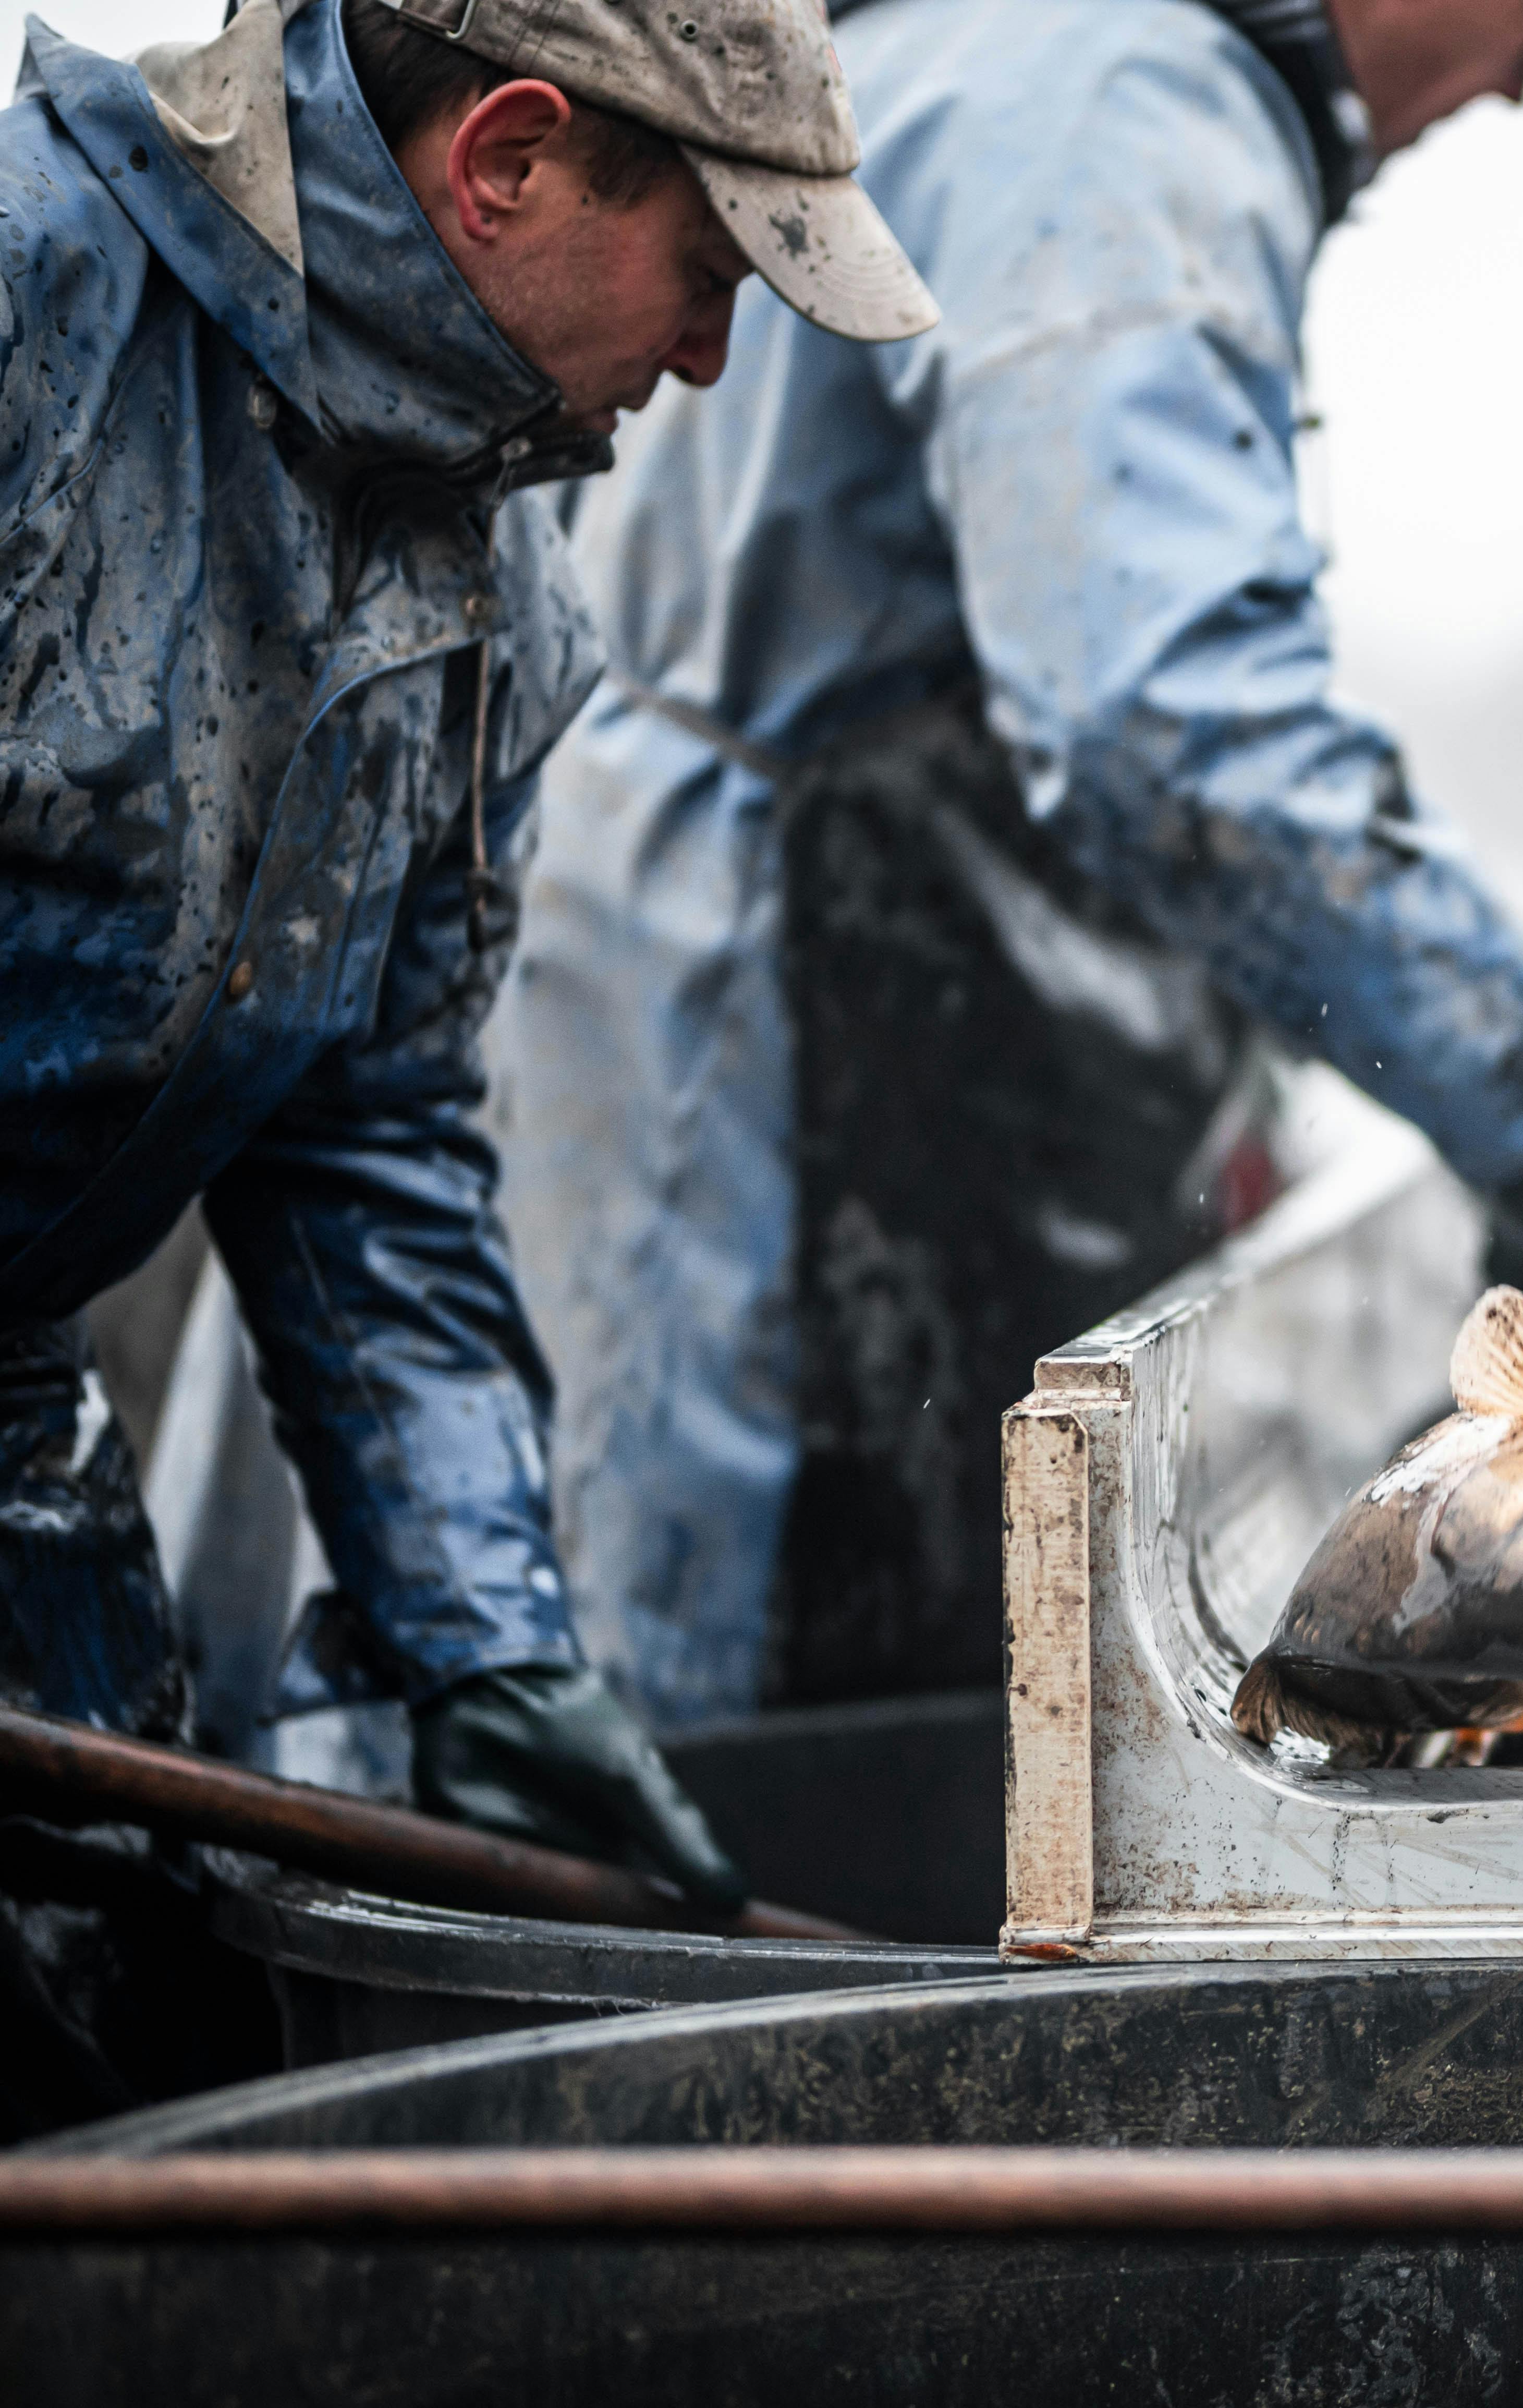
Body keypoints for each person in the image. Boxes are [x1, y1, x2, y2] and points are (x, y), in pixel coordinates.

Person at [493, 0, 1523, 1729]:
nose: (1519, 83)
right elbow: (1165, 723)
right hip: (772, 1037)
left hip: (750, 966)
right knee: (760, 1729)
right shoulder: (1116, 101)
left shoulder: (1028, 42)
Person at [0, 0, 940, 2130]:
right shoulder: (30, 297)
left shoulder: (493, 545)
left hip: (12, 1398)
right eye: (709, 268)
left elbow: (365, 1135)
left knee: (128, 2044)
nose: (713, 357)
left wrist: (488, 1639)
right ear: (506, 159)